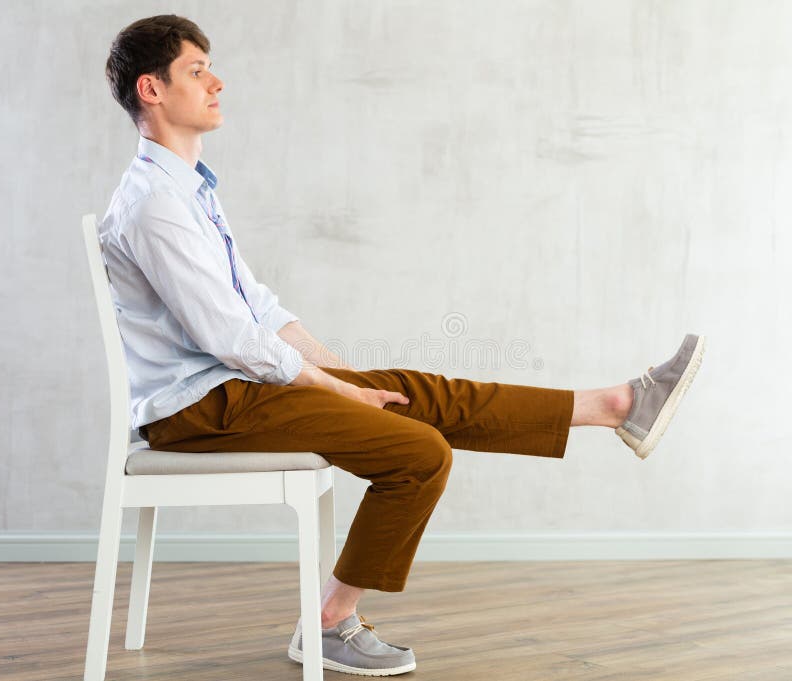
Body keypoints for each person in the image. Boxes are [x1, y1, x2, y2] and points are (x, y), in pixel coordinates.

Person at [101, 14, 706, 677]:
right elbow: (229, 336)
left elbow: (263, 311)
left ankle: (617, 404)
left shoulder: (190, 191)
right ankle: (329, 620)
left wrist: (345, 372)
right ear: (151, 90)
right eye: (196, 70)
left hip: (235, 388)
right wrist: (334, 387)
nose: (217, 81)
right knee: (420, 453)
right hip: (199, 409)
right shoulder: (154, 203)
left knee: (419, 391)